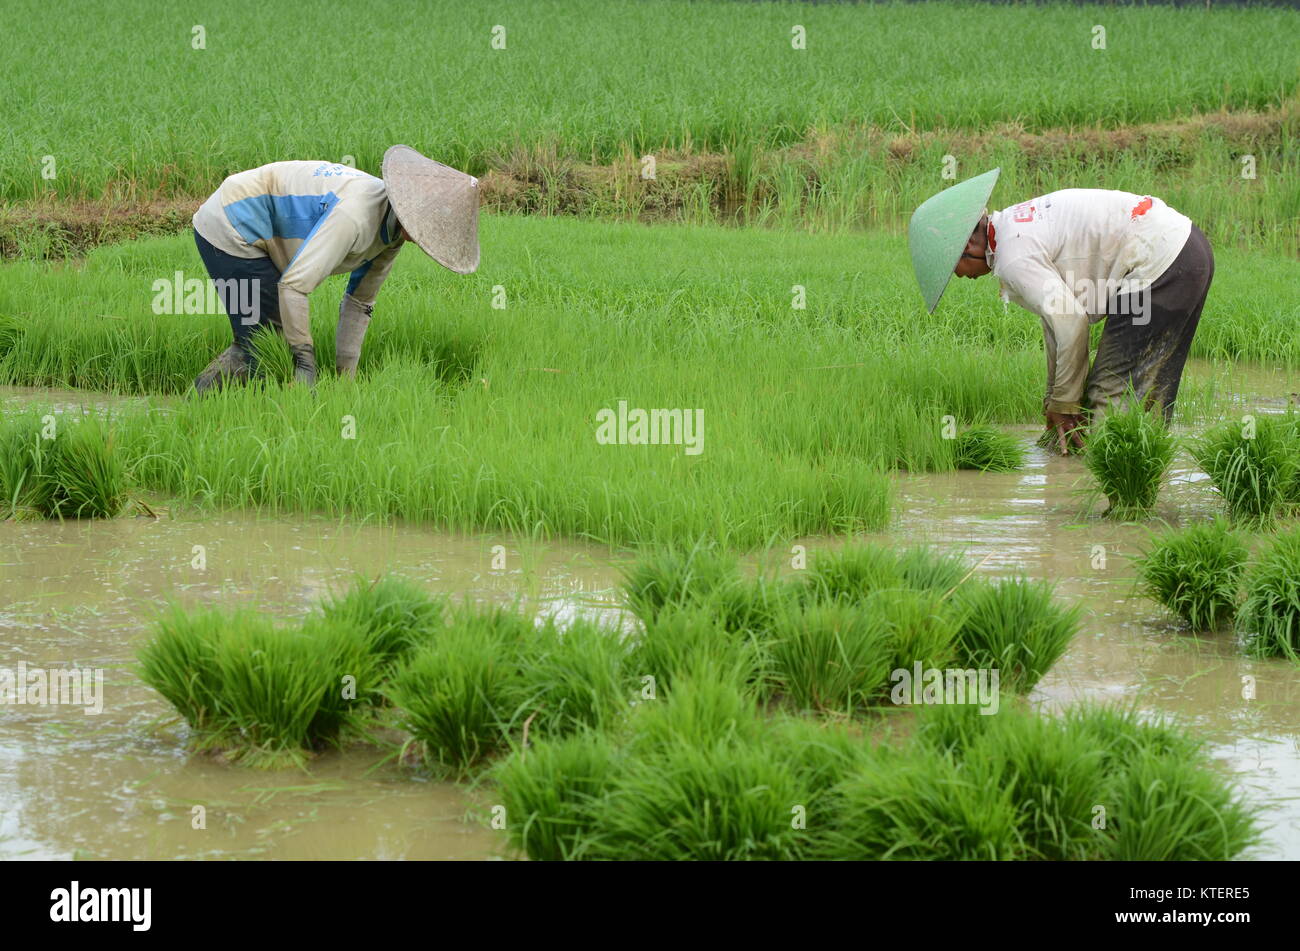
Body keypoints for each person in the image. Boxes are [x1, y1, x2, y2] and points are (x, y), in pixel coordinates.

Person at [908, 168, 1214, 453]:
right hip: (1186, 249)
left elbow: (1072, 324)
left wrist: (1064, 403)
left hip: (1160, 262)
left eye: (955, 269)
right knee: (1150, 392)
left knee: (1108, 395)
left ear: (968, 247)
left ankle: (1106, 492)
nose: (962, 277)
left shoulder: (1013, 257)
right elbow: (1056, 326)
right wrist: (1055, 400)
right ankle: (1142, 476)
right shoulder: (1013, 230)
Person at [189, 145, 479, 392]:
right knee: (265, 342)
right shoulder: (355, 217)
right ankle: (200, 406)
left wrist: (345, 382)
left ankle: (209, 404)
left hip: (262, 230)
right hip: (232, 223)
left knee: (264, 339)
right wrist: (304, 359)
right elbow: (293, 287)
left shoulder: (391, 236)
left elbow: (360, 302)